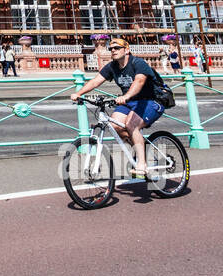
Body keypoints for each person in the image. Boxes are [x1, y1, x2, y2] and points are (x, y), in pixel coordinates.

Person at [68, 37, 165, 178]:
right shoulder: (113, 66)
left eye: (117, 48)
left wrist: (125, 96)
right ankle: (140, 150)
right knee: (115, 125)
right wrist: (79, 93)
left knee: (131, 124)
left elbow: (139, 81)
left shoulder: (138, 63)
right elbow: (96, 81)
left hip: (152, 100)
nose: (113, 50)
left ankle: (142, 164)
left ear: (127, 50)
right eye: (111, 49)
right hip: (130, 101)